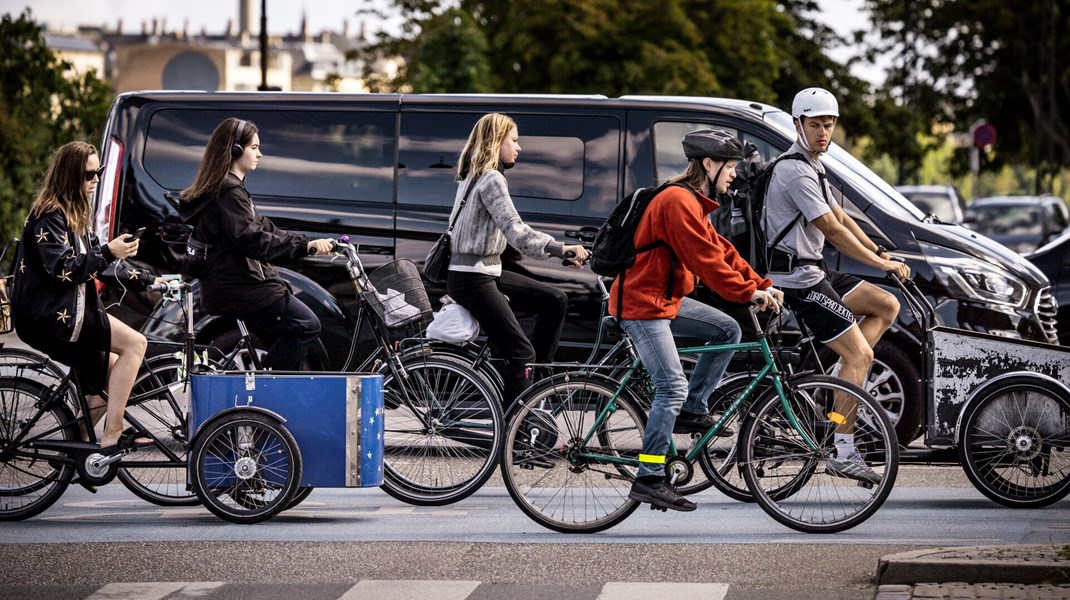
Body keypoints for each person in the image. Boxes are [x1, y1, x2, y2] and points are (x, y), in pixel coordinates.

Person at [612, 129, 783, 512]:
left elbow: (721, 250)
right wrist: (745, 293)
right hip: (641, 305)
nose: (735, 174)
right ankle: (650, 477)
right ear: (709, 164)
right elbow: (703, 261)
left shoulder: (691, 201)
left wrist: (760, 284)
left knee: (727, 328)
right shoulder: (677, 201)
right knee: (669, 386)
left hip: (665, 300)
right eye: (731, 166)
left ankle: (693, 408)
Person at [763, 87, 911, 483]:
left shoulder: (815, 165)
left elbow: (843, 218)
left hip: (816, 271)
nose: (823, 133)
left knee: (886, 305)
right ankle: (844, 449)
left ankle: (842, 368)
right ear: (797, 125)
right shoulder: (793, 169)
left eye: (828, 125)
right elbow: (829, 229)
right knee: (862, 356)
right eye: (815, 125)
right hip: (797, 280)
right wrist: (880, 263)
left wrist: (880, 248)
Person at [12, 141, 160, 457]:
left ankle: (78, 449)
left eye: (99, 173)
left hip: (69, 312)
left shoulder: (76, 212)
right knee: (136, 345)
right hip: (51, 317)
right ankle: (112, 435)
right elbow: (64, 269)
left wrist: (152, 281)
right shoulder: (50, 214)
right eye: (89, 175)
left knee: (116, 374)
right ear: (69, 177)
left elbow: (101, 265)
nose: (95, 180)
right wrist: (108, 251)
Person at [445, 113, 589, 406]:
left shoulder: (474, 176)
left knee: (554, 299)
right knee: (522, 353)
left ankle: (537, 387)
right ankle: (515, 435)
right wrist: (560, 248)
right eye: (514, 140)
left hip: (481, 273)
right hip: (474, 278)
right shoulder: (491, 178)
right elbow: (516, 230)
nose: (519, 147)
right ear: (497, 142)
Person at [179, 118, 335, 371]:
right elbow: (252, 238)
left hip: (237, 284)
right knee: (307, 325)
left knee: (289, 347)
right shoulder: (228, 193)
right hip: (239, 287)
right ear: (235, 150)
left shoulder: (231, 190)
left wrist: (306, 242)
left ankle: (274, 399)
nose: (260, 154)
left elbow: (263, 228)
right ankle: (264, 388)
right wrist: (304, 248)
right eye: (254, 147)